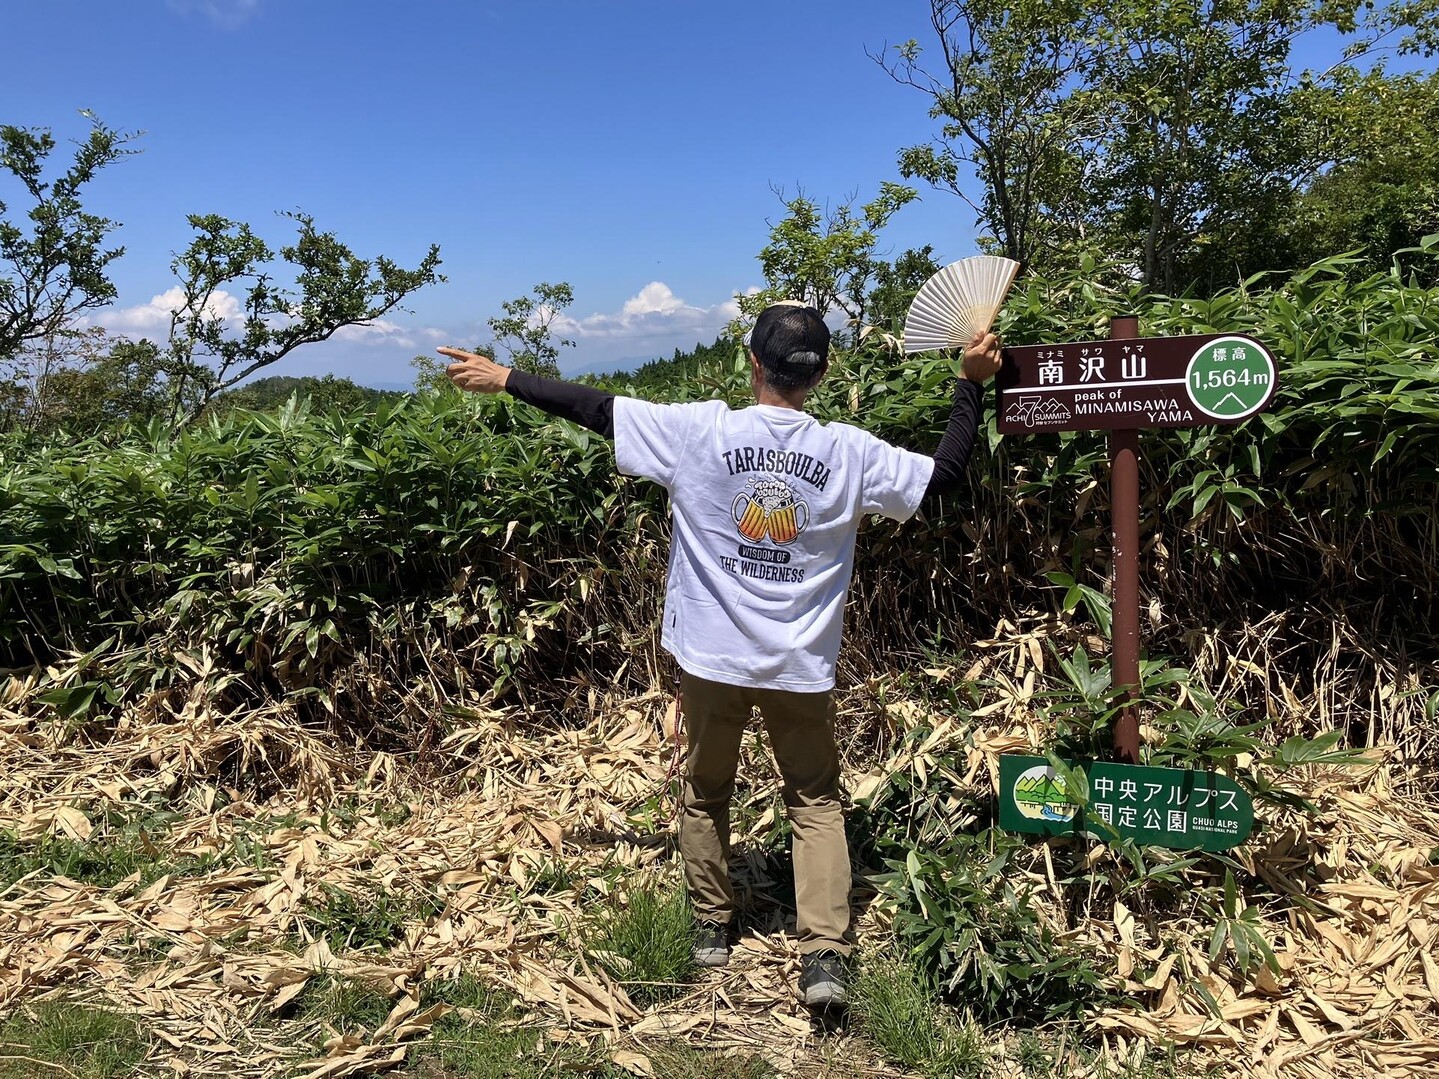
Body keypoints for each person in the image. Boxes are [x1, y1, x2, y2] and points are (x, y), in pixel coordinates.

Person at [440, 303, 1001, 1009]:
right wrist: (971, 380)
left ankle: (711, 925)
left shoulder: (699, 431)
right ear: (821, 374)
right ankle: (824, 953)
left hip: (709, 661)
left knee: (705, 792)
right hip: (799, 665)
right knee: (815, 801)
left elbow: (596, 408)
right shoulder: (850, 452)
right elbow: (942, 475)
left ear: (753, 364)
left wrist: (506, 377)